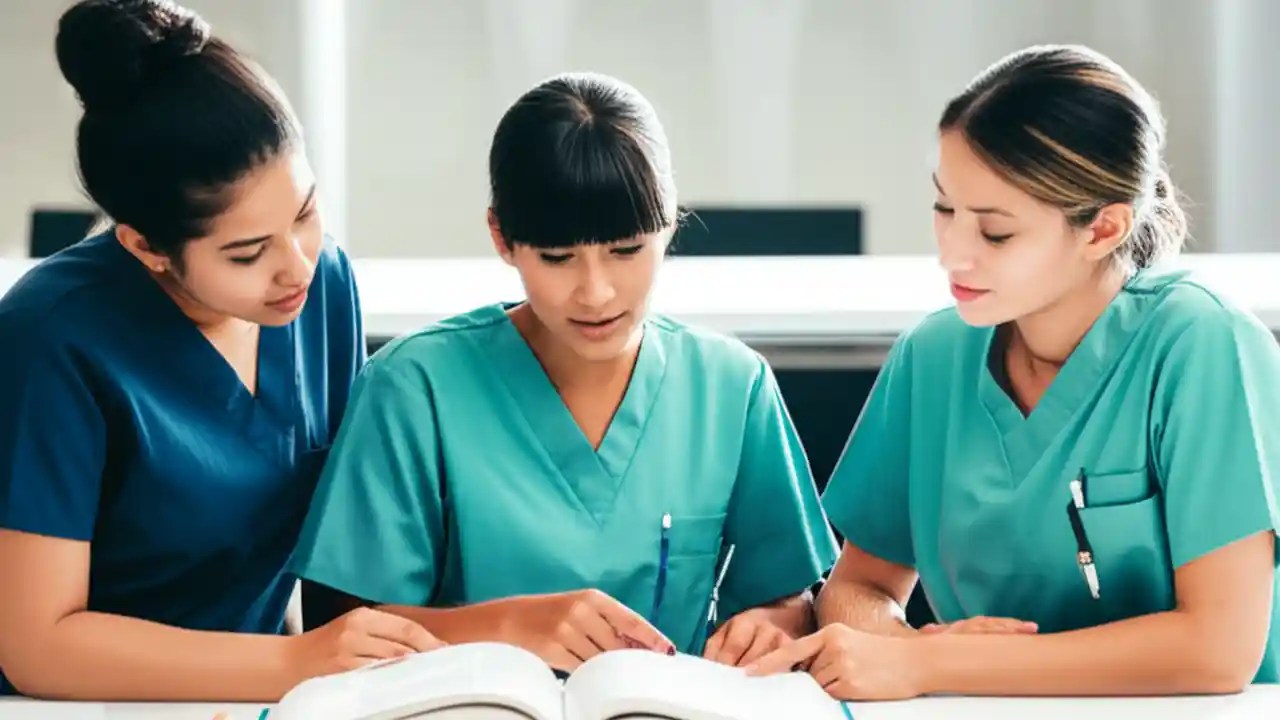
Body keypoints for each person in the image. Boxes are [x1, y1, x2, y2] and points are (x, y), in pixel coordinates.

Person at [748, 44, 1279, 698]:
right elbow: (858, 587)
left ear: (1103, 229)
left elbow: (1219, 649)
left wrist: (934, 665)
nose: (953, 254)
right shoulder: (933, 356)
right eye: (945, 210)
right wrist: (903, 645)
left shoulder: (1203, 345)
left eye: (995, 233)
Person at [290, 72, 839, 671]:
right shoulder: (413, 387)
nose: (596, 293)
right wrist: (507, 627)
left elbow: (793, 598)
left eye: (626, 250)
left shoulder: (731, 387)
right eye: (557, 258)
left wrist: (772, 627)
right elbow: (341, 627)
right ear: (502, 238)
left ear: (669, 225)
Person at [0, 0, 438, 701]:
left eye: (305, 213)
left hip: (258, 699)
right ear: (146, 246)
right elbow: (37, 645)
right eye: (247, 253)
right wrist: (294, 663)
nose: (295, 266)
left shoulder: (323, 285)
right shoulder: (51, 335)